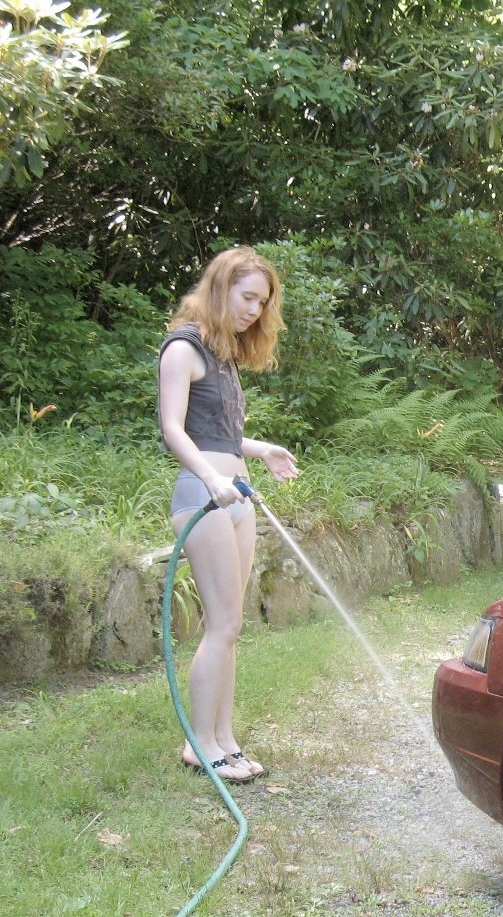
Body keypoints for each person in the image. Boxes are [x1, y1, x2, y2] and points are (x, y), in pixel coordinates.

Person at [157, 246, 299, 783]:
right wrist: (213, 478)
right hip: (203, 496)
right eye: (247, 298)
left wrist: (258, 450)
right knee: (222, 625)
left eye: (262, 303)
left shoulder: (224, 354)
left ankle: (224, 739)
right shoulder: (183, 348)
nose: (254, 312)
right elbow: (174, 429)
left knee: (231, 626)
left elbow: (220, 433)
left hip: (234, 494)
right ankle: (200, 744)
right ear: (221, 288)